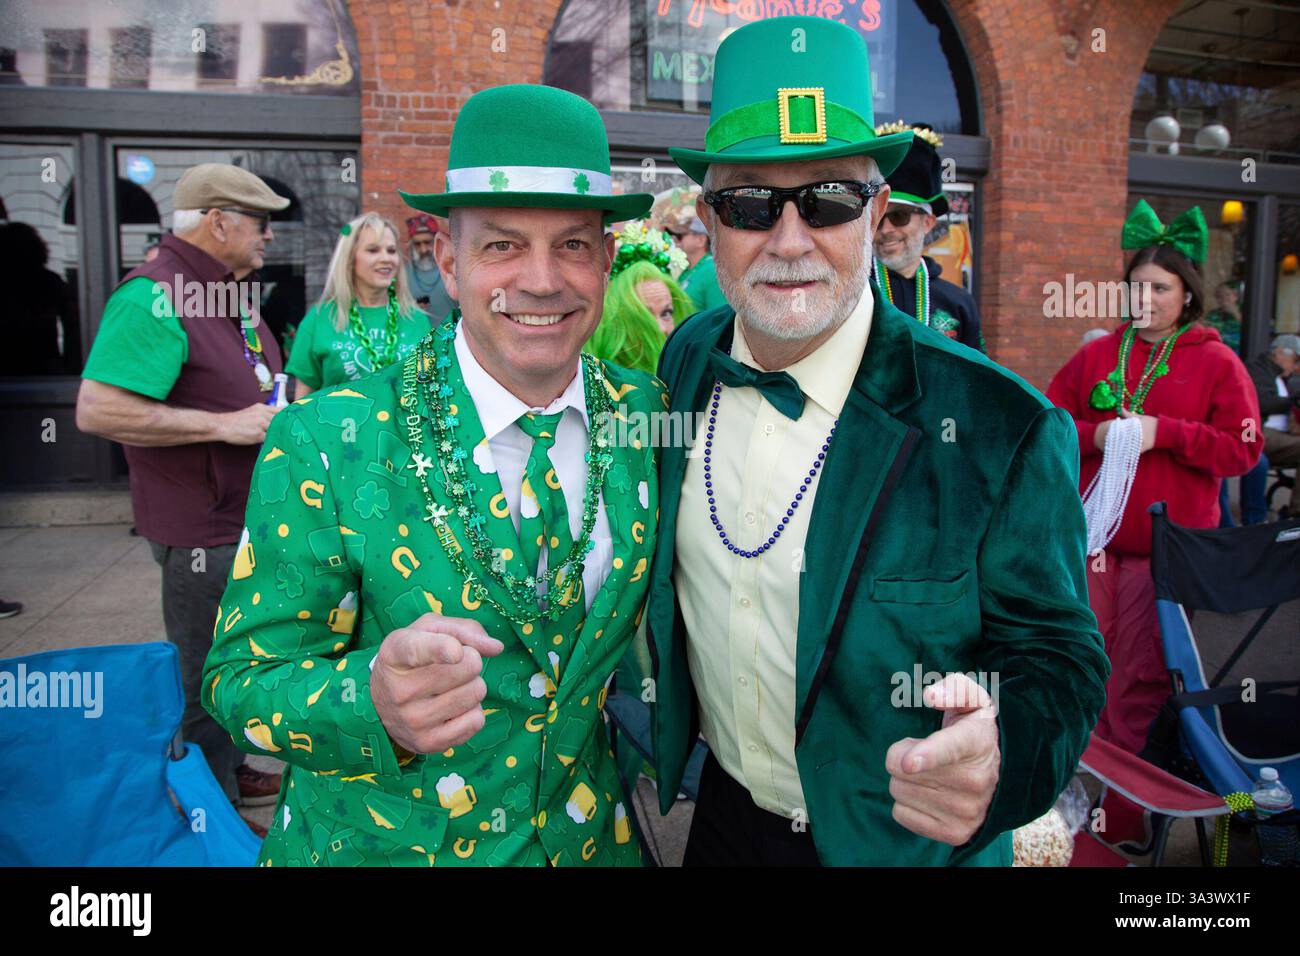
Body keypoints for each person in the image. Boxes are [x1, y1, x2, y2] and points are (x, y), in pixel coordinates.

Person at [645, 16, 1108, 866]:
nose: (789, 242)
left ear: (879, 213)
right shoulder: (687, 359)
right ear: (710, 223)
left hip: (906, 848)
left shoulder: (1001, 427)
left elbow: (1059, 657)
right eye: (750, 203)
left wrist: (1001, 755)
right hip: (723, 822)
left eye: (828, 200)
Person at [202, 84, 664, 867]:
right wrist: (369, 701)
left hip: (591, 845)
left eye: (574, 246)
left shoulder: (645, 413)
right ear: (448, 262)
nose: (542, 279)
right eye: (502, 245)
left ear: (607, 261)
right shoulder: (329, 435)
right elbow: (239, 682)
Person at [76, 163, 292, 816]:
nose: (269, 238)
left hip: (241, 520)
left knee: (237, 659)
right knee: (202, 676)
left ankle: (228, 764)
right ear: (218, 221)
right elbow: (98, 409)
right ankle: (206, 805)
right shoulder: (153, 295)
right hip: (202, 532)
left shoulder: (222, 292)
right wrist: (227, 426)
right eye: (259, 223)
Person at [1046, 200, 1261, 768]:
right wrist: (1097, 439)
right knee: (1083, 660)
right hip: (1092, 546)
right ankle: (1072, 787)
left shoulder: (1217, 362)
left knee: (1139, 678)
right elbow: (1048, 427)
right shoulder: (1096, 354)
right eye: (1136, 287)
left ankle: (1122, 804)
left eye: (1160, 289)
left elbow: (1243, 449)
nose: (1145, 300)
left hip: (1166, 554)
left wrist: (1164, 432)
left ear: (1187, 294)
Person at [285, 212, 431, 398]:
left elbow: (428, 393)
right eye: (373, 250)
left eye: (391, 250)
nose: (386, 258)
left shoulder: (416, 318)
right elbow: (302, 402)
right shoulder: (320, 318)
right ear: (350, 259)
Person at [872, 122, 984, 352]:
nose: (886, 229)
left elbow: (977, 380)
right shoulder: (850, 292)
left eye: (900, 216)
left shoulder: (958, 303)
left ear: (928, 222)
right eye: (878, 217)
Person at [587, 223, 693, 373]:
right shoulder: (597, 384)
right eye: (644, 314)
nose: (661, 328)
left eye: (666, 313)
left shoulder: (686, 377)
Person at [1246, 334, 1300, 470]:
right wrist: (1294, 401)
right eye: (1295, 361)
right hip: (1256, 432)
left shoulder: (1281, 377)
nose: (1295, 367)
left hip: (1278, 435)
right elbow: (1263, 402)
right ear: (1280, 353)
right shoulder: (1257, 369)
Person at [405, 213, 457, 321]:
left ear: (437, 242)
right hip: (418, 336)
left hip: (451, 336)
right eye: (417, 244)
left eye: (427, 242)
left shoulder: (454, 269)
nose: (423, 249)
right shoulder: (403, 275)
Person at [673, 215, 726, 313]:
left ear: (701, 240)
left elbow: (719, 316)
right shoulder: (689, 270)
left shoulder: (712, 271)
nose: (675, 240)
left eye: (680, 236)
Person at [1203, 280, 1242, 354]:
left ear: (1235, 296)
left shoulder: (1246, 312)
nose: (1223, 299)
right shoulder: (1213, 314)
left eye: (1227, 295)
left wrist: (1236, 314)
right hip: (1219, 350)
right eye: (1219, 296)